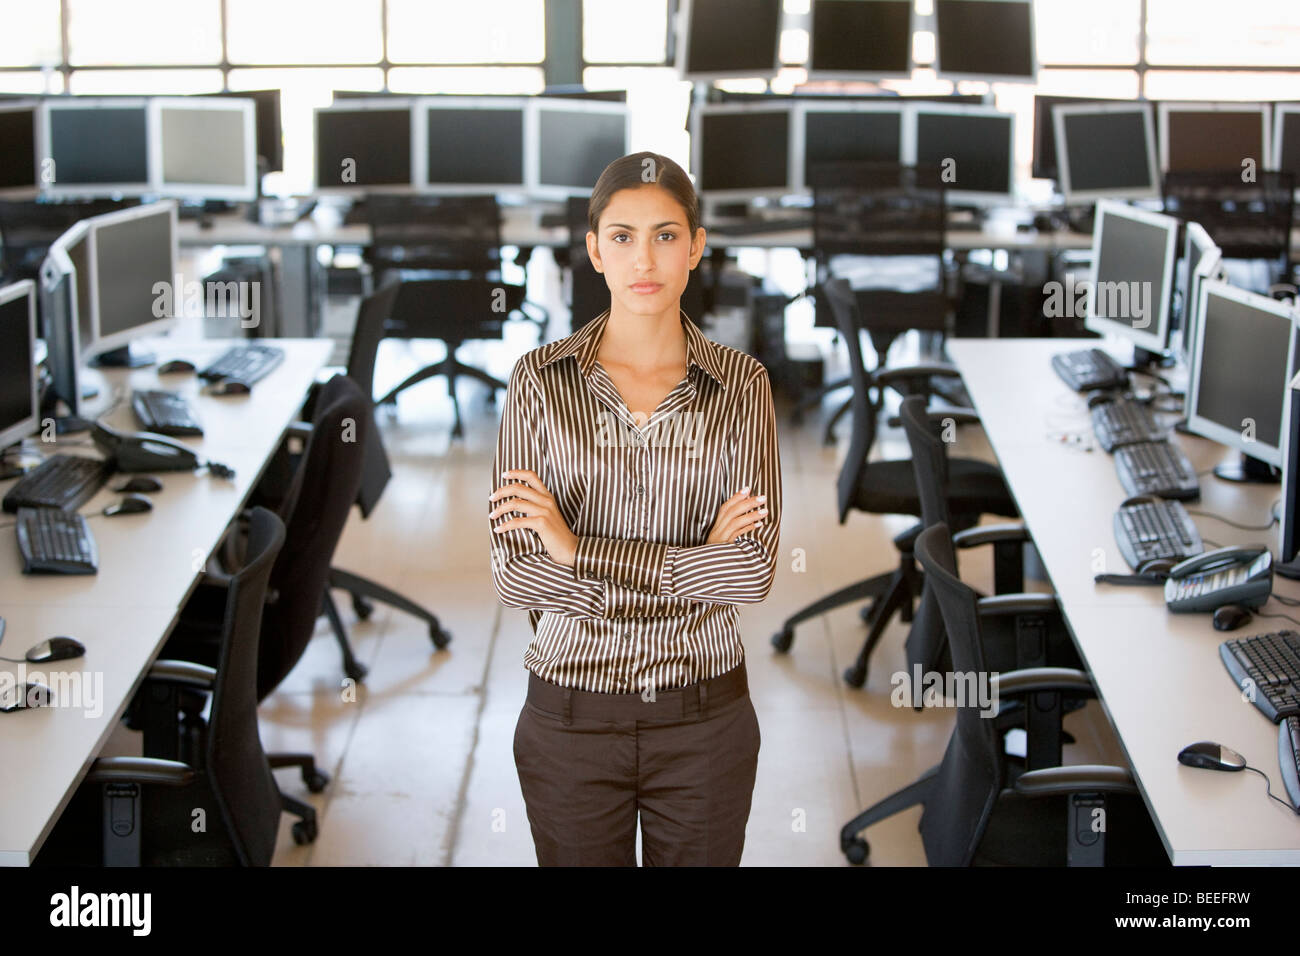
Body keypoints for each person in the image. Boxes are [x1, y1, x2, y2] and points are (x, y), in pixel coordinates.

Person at [488, 150, 782, 866]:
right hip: (569, 717)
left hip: (704, 717)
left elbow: (750, 575)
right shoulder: (539, 382)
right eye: (621, 235)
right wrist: (693, 565)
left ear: (696, 247)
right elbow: (517, 577)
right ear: (593, 250)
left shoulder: (742, 385)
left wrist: (577, 549)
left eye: (665, 234)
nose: (643, 257)